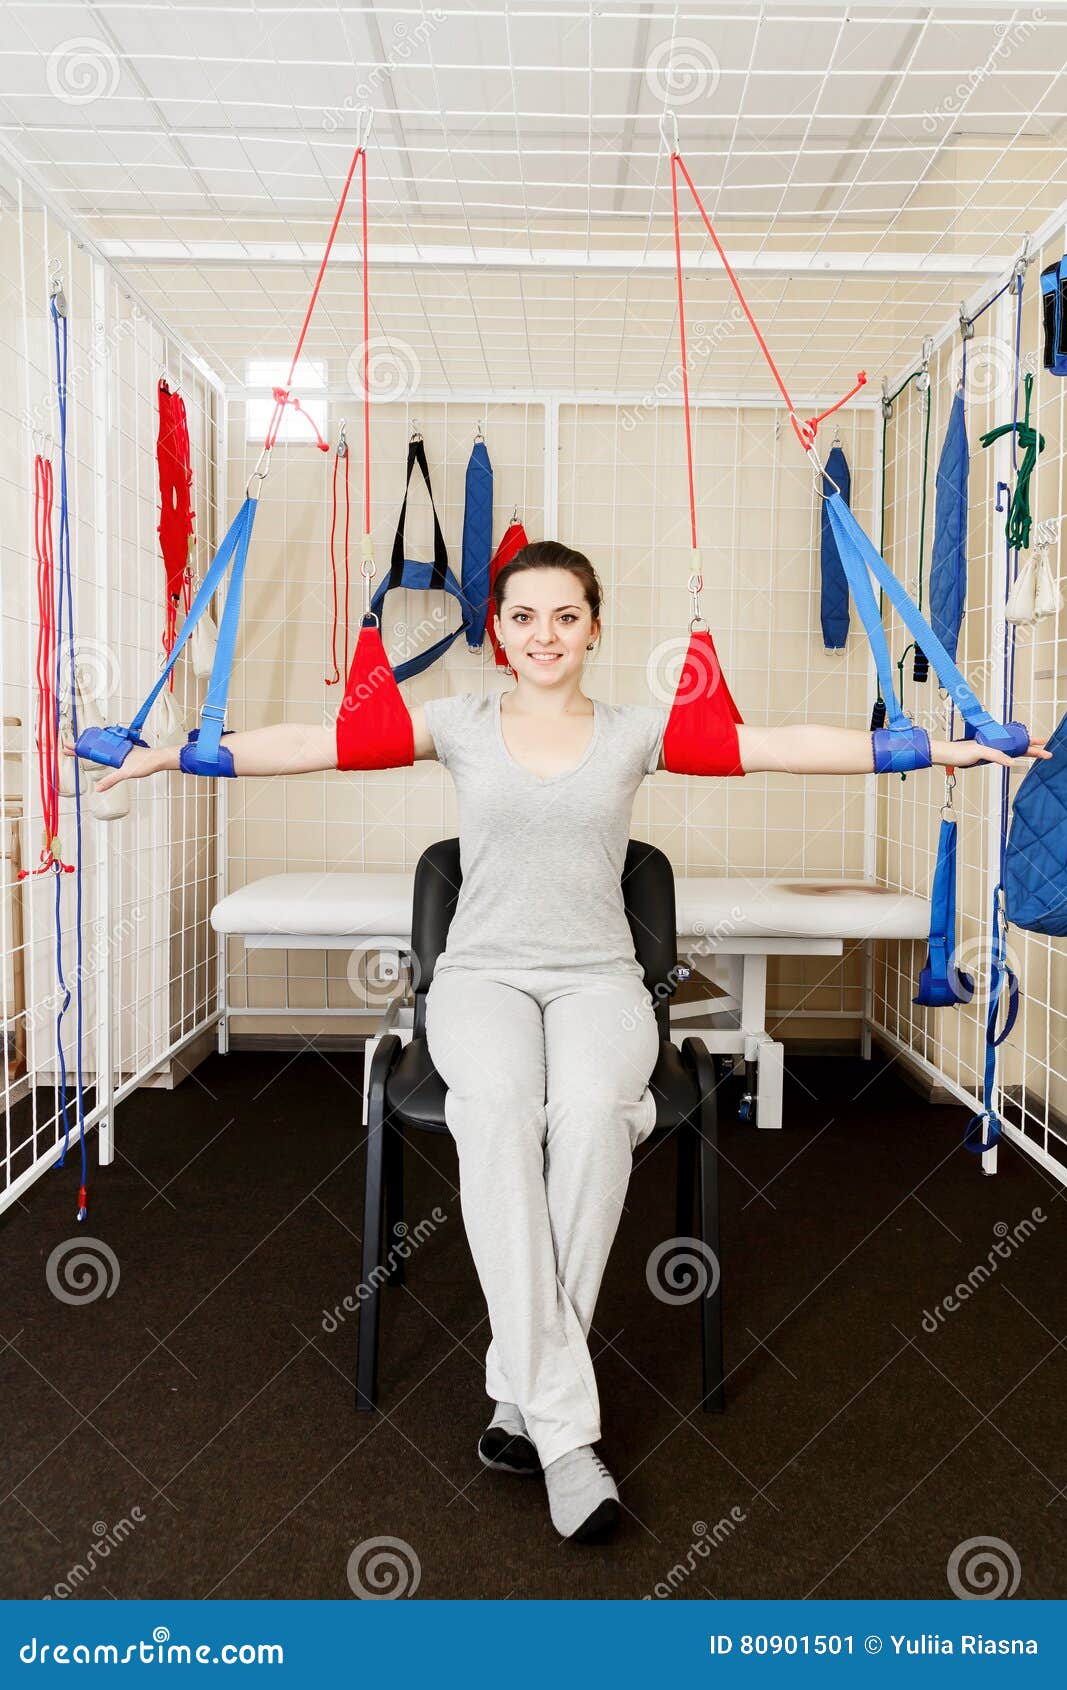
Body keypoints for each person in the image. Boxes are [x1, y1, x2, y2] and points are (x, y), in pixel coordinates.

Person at [83, 539, 1048, 1545]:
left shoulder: (635, 732)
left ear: (594, 626)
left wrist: (930, 748)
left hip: (599, 977)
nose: (543, 634)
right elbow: (314, 742)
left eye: (564, 616)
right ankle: (566, 1436)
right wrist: (175, 754)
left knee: (595, 1116)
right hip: (480, 975)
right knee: (493, 1111)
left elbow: (775, 743)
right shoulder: (457, 723)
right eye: (523, 616)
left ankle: (519, 1391)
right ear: (496, 630)